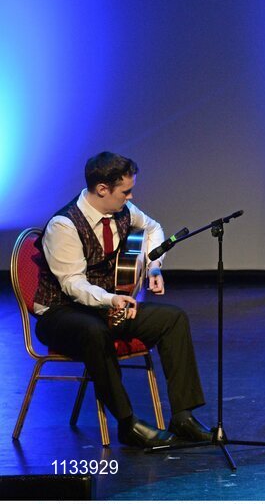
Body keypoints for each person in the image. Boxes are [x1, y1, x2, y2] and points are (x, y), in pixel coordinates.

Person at [34, 151, 210, 447]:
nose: (130, 197)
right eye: (125, 191)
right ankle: (127, 424)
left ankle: (183, 416)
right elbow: (73, 283)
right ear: (102, 189)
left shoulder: (123, 211)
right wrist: (110, 300)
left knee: (172, 319)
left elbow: (153, 228)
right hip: (60, 313)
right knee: (94, 332)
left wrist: (155, 265)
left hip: (106, 306)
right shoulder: (63, 225)